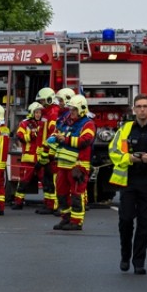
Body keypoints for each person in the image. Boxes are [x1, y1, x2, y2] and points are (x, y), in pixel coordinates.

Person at [109, 94, 147, 273]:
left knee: (144, 224)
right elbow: (113, 151)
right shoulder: (125, 130)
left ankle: (139, 262)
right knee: (126, 220)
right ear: (134, 109)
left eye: (145, 106)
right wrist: (129, 158)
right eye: (139, 106)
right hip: (128, 182)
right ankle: (125, 255)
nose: (142, 109)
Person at [53, 94, 96, 231]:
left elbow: (85, 141)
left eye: (74, 110)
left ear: (82, 110)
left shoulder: (88, 124)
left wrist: (64, 139)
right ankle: (65, 218)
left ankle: (76, 222)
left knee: (77, 194)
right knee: (61, 193)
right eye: (70, 110)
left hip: (78, 166)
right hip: (63, 165)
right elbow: (58, 135)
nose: (71, 113)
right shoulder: (66, 122)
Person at [12, 101, 45, 210]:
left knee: (46, 181)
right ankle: (18, 202)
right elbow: (20, 136)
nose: (38, 114)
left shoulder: (43, 124)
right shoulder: (25, 123)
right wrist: (31, 135)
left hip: (40, 159)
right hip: (28, 158)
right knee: (23, 182)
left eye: (39, 112)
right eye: (36, 112)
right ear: (31, 112)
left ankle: (50, 204)